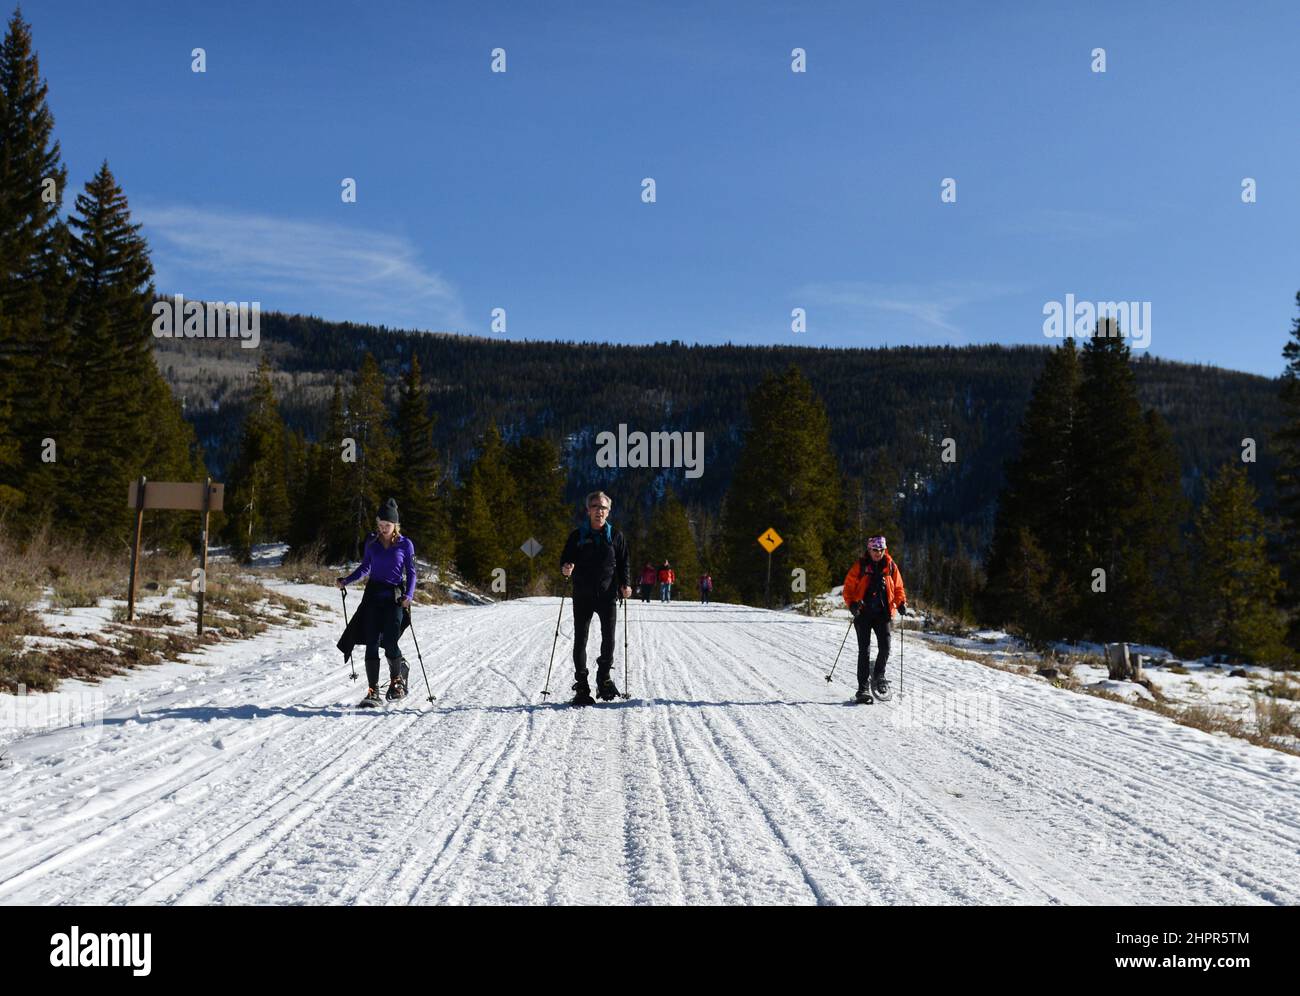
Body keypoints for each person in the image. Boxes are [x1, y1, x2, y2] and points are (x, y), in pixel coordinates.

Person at [336, 499, 417, 707]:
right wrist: (346, 580)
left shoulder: (405, 544)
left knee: (390, 641)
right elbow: (365, 568)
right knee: (371, 642)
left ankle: (397, 680)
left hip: (394, 596)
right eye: (380, 525)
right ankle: (373, 692)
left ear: (395, 525)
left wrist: (408, 596)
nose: (382, 529)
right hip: (373, 595)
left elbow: (412, 572)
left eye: (387, 526)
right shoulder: (371, 541)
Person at [560, 491, 632, 705]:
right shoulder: (577, 536)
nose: (599, 511)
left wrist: (625, 584)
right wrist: (566, 568)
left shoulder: (616, 536)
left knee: (609, 639)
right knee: (580, 639)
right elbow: (565, 560)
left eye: (603, 507)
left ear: (608, 512)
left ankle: (604, 678)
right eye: (595, 506)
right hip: (582, 595)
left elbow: (623, 562)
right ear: (588, 510)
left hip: (608, 595)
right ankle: (582, 685)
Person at [841, 535, 907, 703]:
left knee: (885, 647)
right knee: (864, 650)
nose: (878, 553)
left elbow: (898, 587)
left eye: (881, 550)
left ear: (885, 550)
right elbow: (848, 588)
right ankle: (862, 689)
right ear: (869, 550)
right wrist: (852, 604)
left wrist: (901, 603)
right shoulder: (860, 566)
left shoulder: (891, 566)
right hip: (863, 613)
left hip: (883, 613)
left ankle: (879, 675)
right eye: (875, 550)